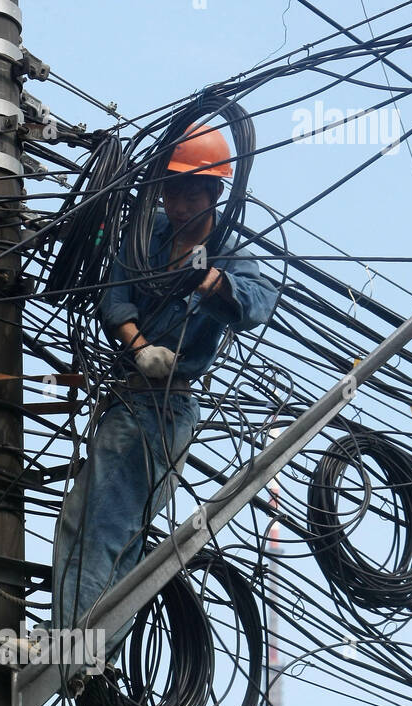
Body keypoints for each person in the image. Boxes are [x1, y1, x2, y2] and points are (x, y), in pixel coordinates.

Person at [52, 123, 279, 648]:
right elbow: (115, 296)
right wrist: (138, 347)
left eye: (189, 192)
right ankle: (91, 644)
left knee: (97, 523)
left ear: (215, 193)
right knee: (111, 524)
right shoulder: (146, 233)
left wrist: (213, 281)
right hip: (131, 390)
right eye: (171, 191)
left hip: (164, 407)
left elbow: (259, 301)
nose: (177, 204)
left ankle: (73, 645)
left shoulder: (231, 253)